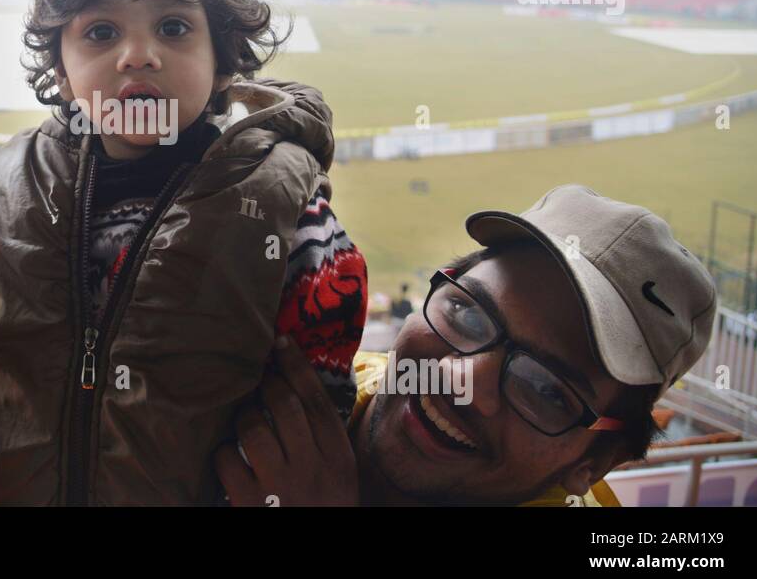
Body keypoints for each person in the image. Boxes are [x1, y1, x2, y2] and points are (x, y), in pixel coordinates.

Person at [0, 0, 368, 506]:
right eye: (101, 32)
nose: (136, 55)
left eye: (172, 27)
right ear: (60, 69)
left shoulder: (284, 208)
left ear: (222, 59)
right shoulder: (12, 190)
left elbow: (311, 407)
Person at [215, 184, 717, 506]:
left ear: (594, 464)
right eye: (469, 313)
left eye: (546, 390)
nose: (461, 380)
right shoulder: (270, 376)